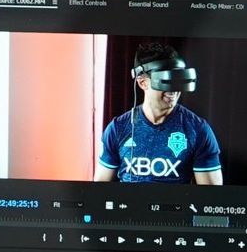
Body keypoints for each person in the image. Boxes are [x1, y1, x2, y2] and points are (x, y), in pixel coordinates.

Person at [95, 42, 223, 184]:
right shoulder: (118, 128)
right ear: (143, 82)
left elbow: (211, 194)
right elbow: (100, 188)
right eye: (166, 81)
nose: (173, 90)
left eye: (177, 80)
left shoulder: (198, 130)